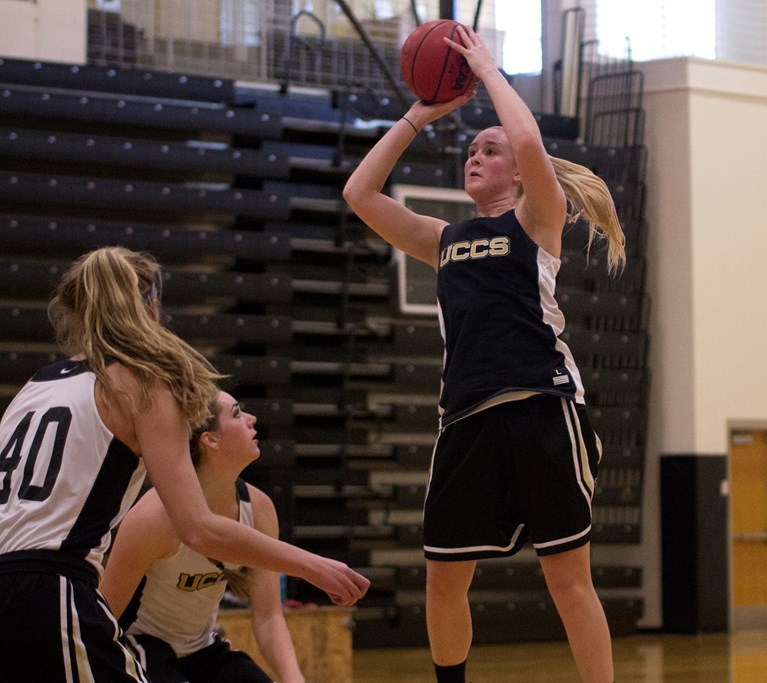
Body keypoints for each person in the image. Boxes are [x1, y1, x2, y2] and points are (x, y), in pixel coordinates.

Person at [342, 25, 626, 683]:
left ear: (520, 177)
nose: (476, 153)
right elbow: (360, 194)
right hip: (467, 418)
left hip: (542, 404)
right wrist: (419, 113)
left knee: (567, 580)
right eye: (470, 148)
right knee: (442, 579)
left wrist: (489, 72)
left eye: (488, 149)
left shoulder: (536, 218)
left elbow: (527, 140)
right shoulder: (445, 238)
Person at [0, 247, 369, 682]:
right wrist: (314, 565)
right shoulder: (142, 381)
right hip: (50, 588)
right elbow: (199, 527)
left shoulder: (36, 384)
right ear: (150, 306)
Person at [100, 391, 304, 683]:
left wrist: (293, 678)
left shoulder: (258, 509)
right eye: (236, 413)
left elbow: (269, 616)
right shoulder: (153, 517)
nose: (251, 419)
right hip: (140, 647)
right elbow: (104, 619)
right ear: (210, 439)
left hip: (202, 650)